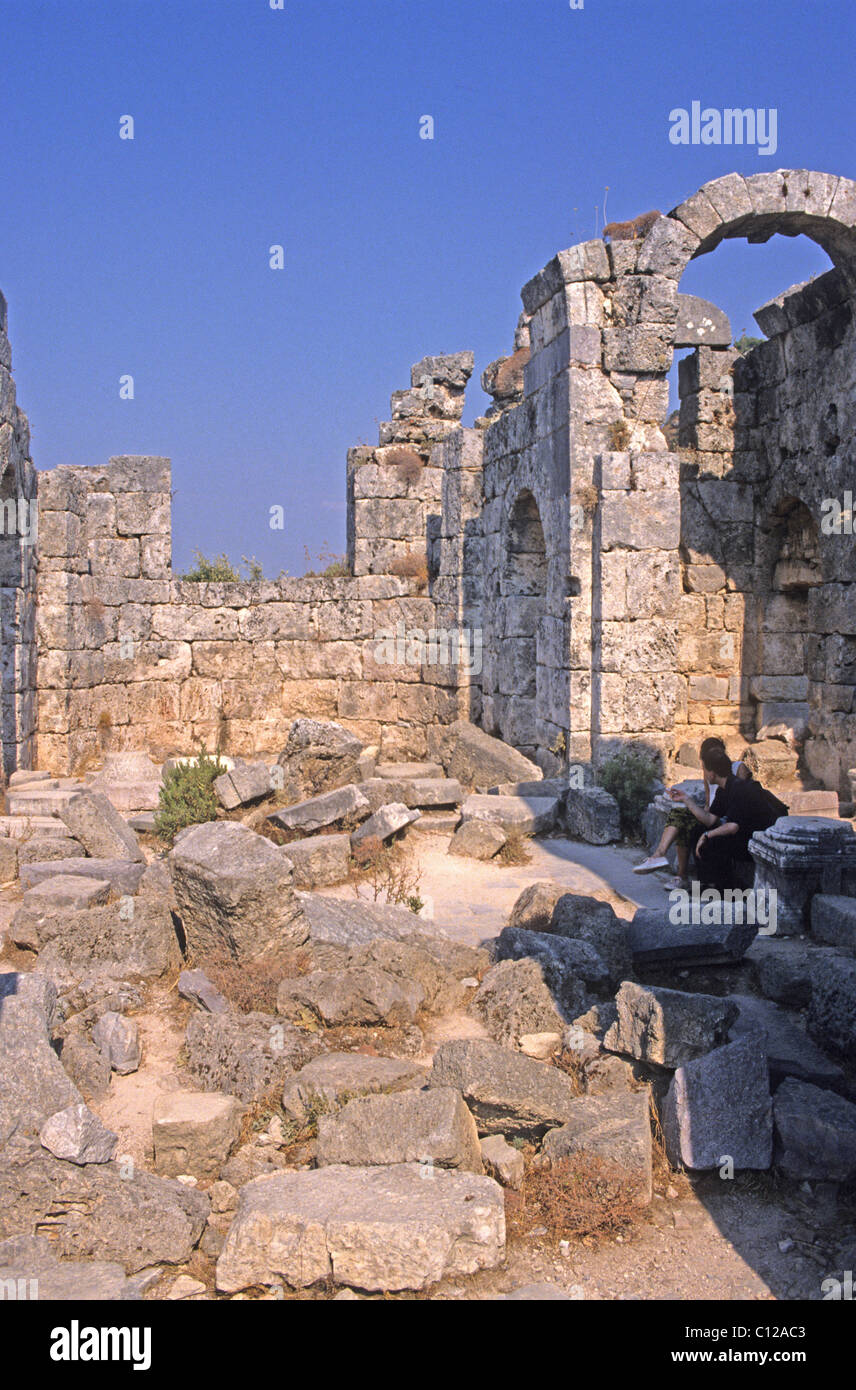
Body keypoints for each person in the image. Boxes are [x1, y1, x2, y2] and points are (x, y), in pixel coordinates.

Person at [633, 738, 751, 887]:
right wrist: (690, 804)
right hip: (715, 815)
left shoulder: (737, 770)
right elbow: (709, 804)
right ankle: (664, 859)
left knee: (684, 819)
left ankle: (675, 871)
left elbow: (745, 797)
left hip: (731, 819)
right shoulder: (710, 774)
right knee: (681, 814)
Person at [676, 744, 788, 890]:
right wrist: (686, 800)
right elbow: (710, 819)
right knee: (697, 830)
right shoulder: (725, 789)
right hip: (745, 834)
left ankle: (723, 888)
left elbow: (733, 827)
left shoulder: (739, 788)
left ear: (712, 773)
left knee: (711, 841)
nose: (703, 773)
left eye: (704, 769)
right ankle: (707, 884)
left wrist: (707, 835)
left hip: (761, 839)